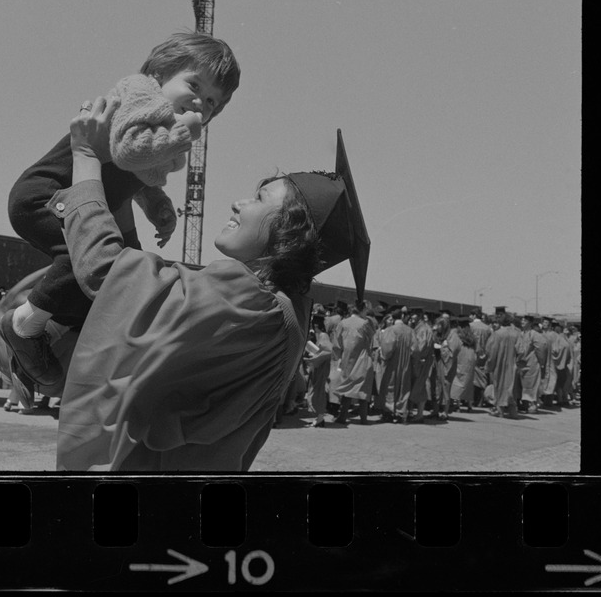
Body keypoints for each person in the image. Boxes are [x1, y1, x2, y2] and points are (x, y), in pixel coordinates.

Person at [38, 97, 370, 471]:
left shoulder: (250, 301)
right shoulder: (285, 309)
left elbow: (108, 273)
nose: (238, 203)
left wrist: (85, 156)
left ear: (289, 233)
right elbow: (146, 285)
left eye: (259, 198)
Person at [3, 31, 241, 396]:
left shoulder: (160, 120)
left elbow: (136, 173)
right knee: (84, 257)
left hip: (83, 203)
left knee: (122, 275)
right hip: (43, 196)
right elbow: (130, 152)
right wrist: (182, 134)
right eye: (194, 84)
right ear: (160, 73)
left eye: (212, 102)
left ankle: (46, 348)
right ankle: (24, 324)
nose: (200, 102)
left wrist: (158, 206)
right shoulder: (138, 94)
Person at [331, 301, 376, 425]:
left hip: (347, 358)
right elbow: (372, 340)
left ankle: (343, 416)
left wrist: (338, 358)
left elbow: (336, 344)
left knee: (347, 386)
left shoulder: (342, 323)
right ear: (363, 310)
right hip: (363, 358)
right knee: (363, 389)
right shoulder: (366, 323)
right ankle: (363, 418)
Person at [373, 307, 415, 423]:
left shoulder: (390, 330)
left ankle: (389, 411)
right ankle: (401, 412)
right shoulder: (410, 331)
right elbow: (415, 349)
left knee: (390, 387)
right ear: (402, 316)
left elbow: (387, 349)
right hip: (406, 363)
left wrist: (383, 357)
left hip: (392, 363)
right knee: (404, 387)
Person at [485, 312, 524, 418]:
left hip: (499, 364)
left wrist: (490, 364)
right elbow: (521, 350)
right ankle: (513, 411)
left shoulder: (497, 334)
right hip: (513, 365)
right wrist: (518, 362)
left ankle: (500, 410)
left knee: (499, 385)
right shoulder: (517, 334)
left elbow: (491, 351)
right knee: (511, 388)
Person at [449, 323, 478, 411]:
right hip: (471, 357)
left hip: (461, 356)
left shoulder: (458, 336)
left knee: (458, 379)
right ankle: (469, 405)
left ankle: (457, 404)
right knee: (469, 381)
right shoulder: (473, 338)